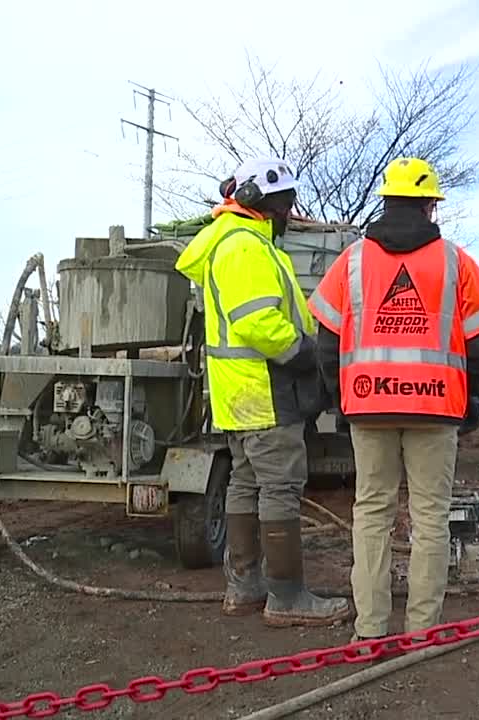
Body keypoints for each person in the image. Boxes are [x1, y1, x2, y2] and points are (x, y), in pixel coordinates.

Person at [308, 156, 479, 642]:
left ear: (387, 201)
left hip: (368, 405)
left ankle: (370, 630)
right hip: (436, 408)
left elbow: (325, 339)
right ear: (429, 206)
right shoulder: (455, 260)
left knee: (371, 514)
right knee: (430, 516)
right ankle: (422, 632)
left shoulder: (352, 260)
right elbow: (478, 344)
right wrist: (470, 400)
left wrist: (342, 396)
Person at [175, 157, 351, 628]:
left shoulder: (235, 242)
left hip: (240, 394)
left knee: (246, 483)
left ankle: (245, 587)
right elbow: (257, 321)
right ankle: (287, 597)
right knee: (279, 487)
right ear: (258, 200)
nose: (289, 212)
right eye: (284, 202)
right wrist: (303, 351)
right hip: (265, 390)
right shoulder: (244, 247)